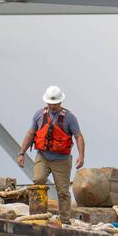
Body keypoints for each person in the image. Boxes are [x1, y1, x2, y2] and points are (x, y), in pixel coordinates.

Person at [17, 86, 84, 218]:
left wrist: (81, 155)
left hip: (62, 160)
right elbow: (31, 133)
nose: (52, 106)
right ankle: (38, 214)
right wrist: (21, 153)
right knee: (38, 180)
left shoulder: (70, 118)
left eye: (55, 103)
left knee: (63, 191)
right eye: (50, 103)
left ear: (60, 102)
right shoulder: (39, 115)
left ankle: (65, 219)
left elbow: (78, 136)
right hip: (43, 156)